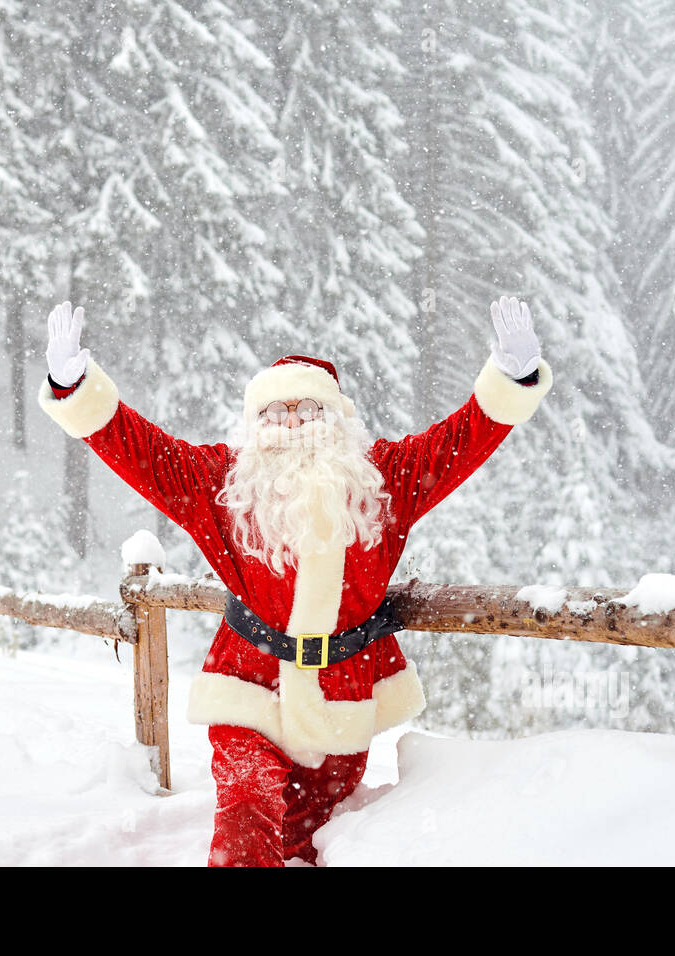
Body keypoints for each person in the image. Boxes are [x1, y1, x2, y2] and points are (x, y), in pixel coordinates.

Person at [38, 297, 552, 866]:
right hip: (249, 686)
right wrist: (75, 387)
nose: (291, 422)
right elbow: (146, 455)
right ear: (254, 423)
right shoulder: (222, 483)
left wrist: (512, 376)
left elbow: (457, 444)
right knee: (246, 817)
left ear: (335, 418)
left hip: (343, 692)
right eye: (274, 411)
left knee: (312, 840)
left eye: (307, 408)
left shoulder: (383, 478)